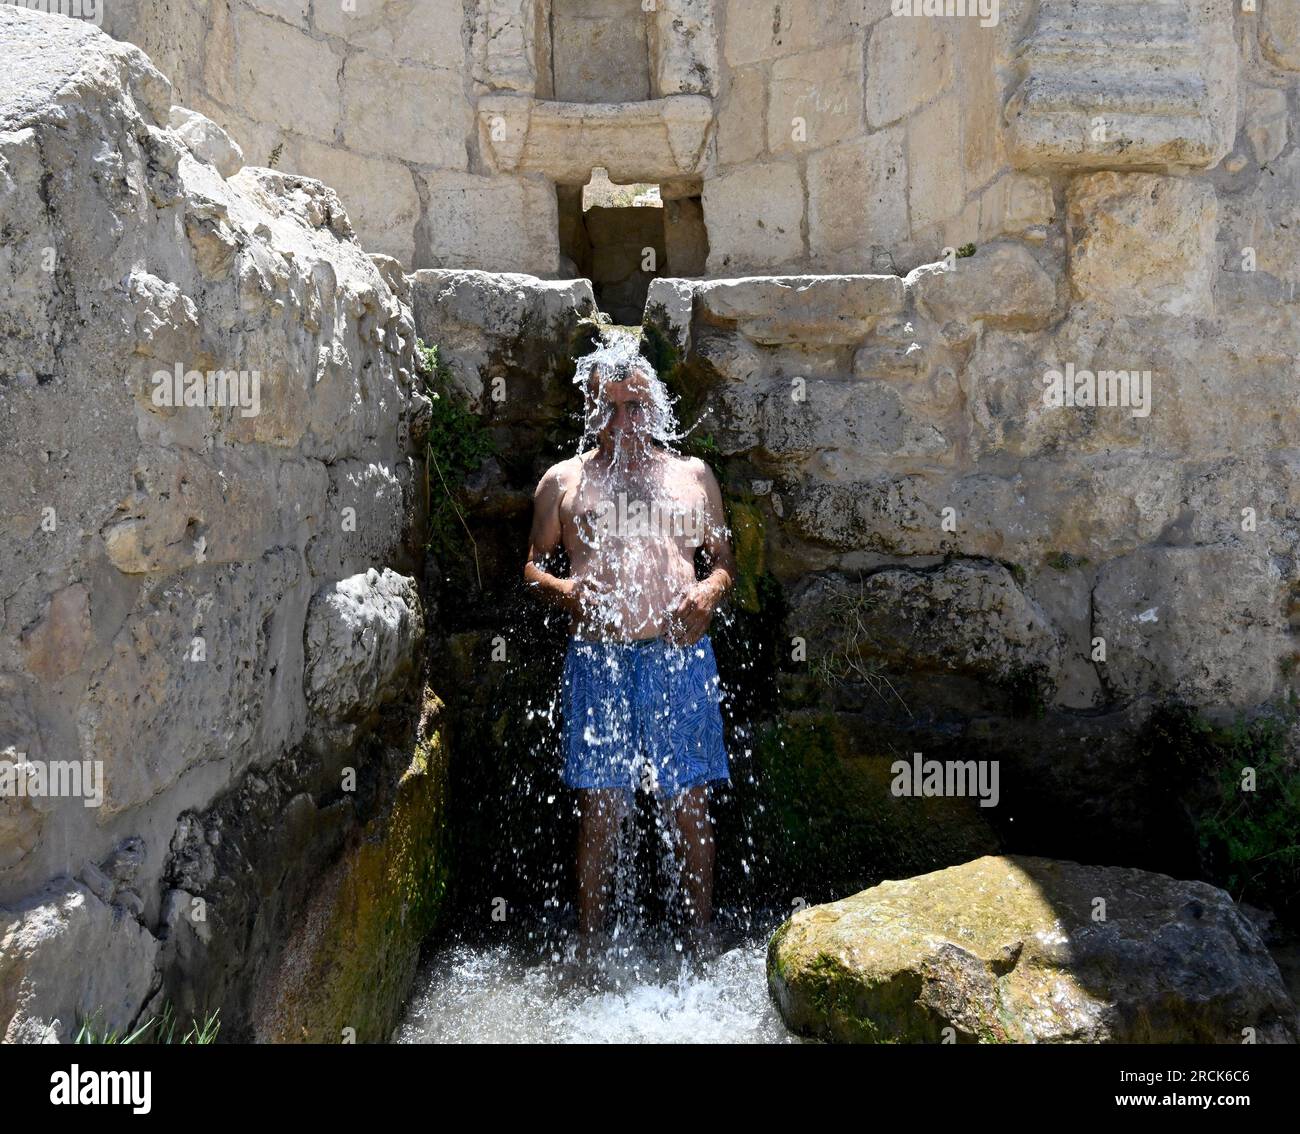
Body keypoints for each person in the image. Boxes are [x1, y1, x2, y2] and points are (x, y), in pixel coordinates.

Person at [523, 339, 735, 958]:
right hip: (599, 659)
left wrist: (708, 594)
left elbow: (723, 562)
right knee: (600, 813)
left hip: (679, 658)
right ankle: (591, 947)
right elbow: (533, 567)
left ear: (655, 407)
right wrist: (567, 593)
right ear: (589, 409)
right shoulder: (563, 481)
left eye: (634, 407)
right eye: (607, 408)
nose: (621, 423)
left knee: (690, 805)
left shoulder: (692, 476)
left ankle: (699, 939)